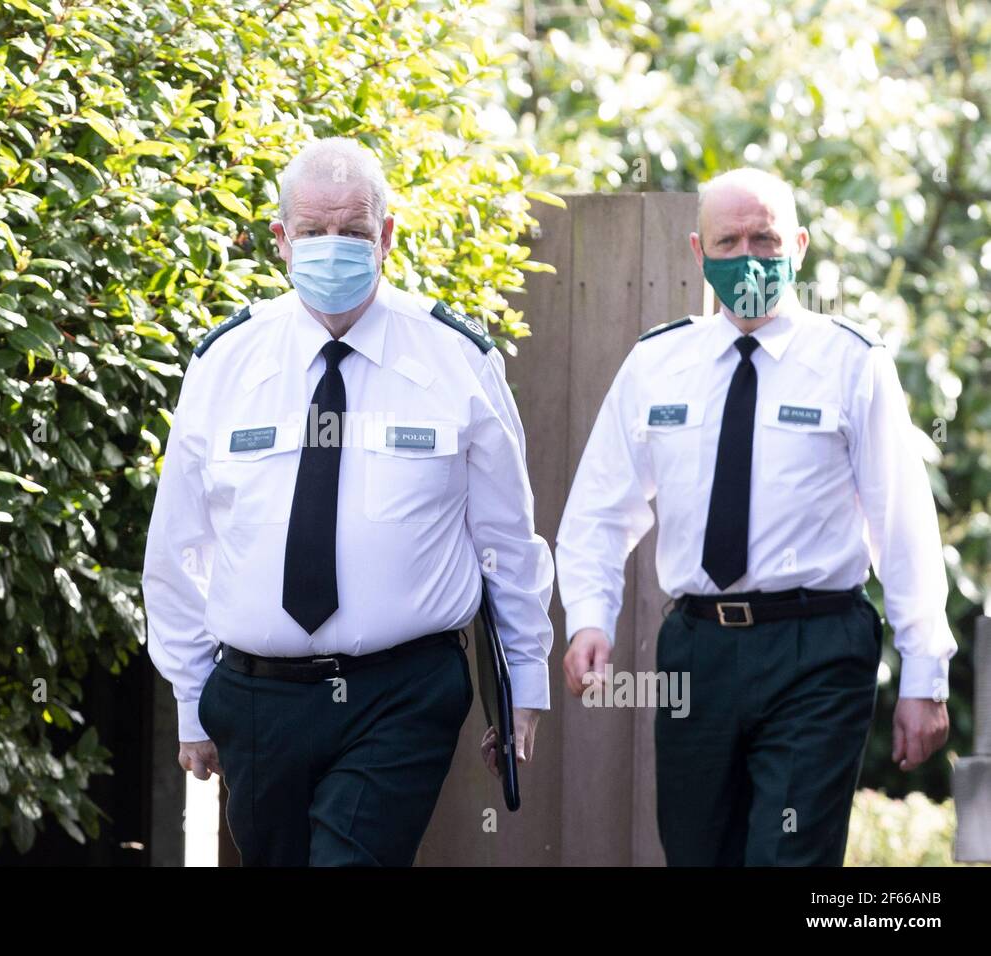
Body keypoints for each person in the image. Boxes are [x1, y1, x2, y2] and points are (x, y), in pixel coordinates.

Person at [143, 137, 554, 866]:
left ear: (387, 236)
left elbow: (506, 538)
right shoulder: (224, 362)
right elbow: (178, 548)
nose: (334, 248)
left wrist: (524, 680)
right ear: (282, 240)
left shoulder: (456, 358)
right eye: (314, 232)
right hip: (256, 699)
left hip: (402, 691)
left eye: (355, 232)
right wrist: (188, 701)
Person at [556, 167, 955, 866]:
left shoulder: (851, 364)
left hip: (817, 648)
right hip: (697, 650)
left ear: (798, 245)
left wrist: (926, 674)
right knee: (697, 852)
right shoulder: (657, 364)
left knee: (787, 856)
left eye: (766, 240)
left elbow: (903, 527)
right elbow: (598, 507)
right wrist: (590, 614)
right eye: (729, 241)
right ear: (698, 252)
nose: (749, 259)